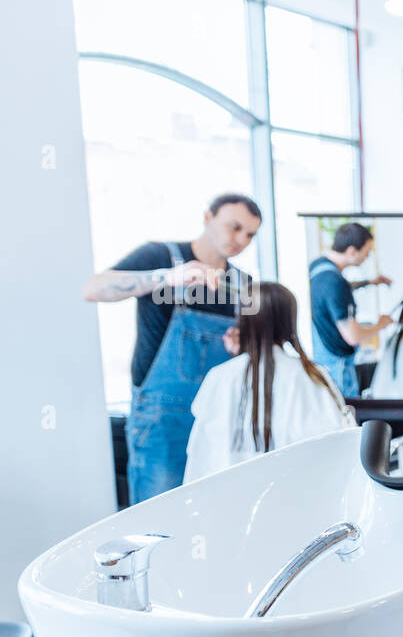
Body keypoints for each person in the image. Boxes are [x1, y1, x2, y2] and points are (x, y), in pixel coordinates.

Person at [82, 192, 261, 503]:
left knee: (213, 511)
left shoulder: (241, 283)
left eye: (250, 235)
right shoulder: (161, 257)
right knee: (156, 517)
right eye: (234, 227)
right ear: (208, 218)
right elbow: (93, 288)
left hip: (217, 418)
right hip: (162, 419)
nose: (241, 239)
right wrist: (168, 277)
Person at [184, 283, 351, 483]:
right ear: (290, 321)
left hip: (226, 502)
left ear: (242, 321)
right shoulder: (311, 375)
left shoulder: (220, 377)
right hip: (296, 500)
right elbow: (338, 445)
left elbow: (201, 456)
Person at [309, 223, 393, 397]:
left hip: (324, 362)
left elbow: (334, 295)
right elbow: (353, 336)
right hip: (338, 368)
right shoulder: (335, 283)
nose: (367, 257)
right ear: (351, 251)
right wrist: (381, 325)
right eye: (366, 252)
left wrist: (370, 282)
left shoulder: (318, 267)